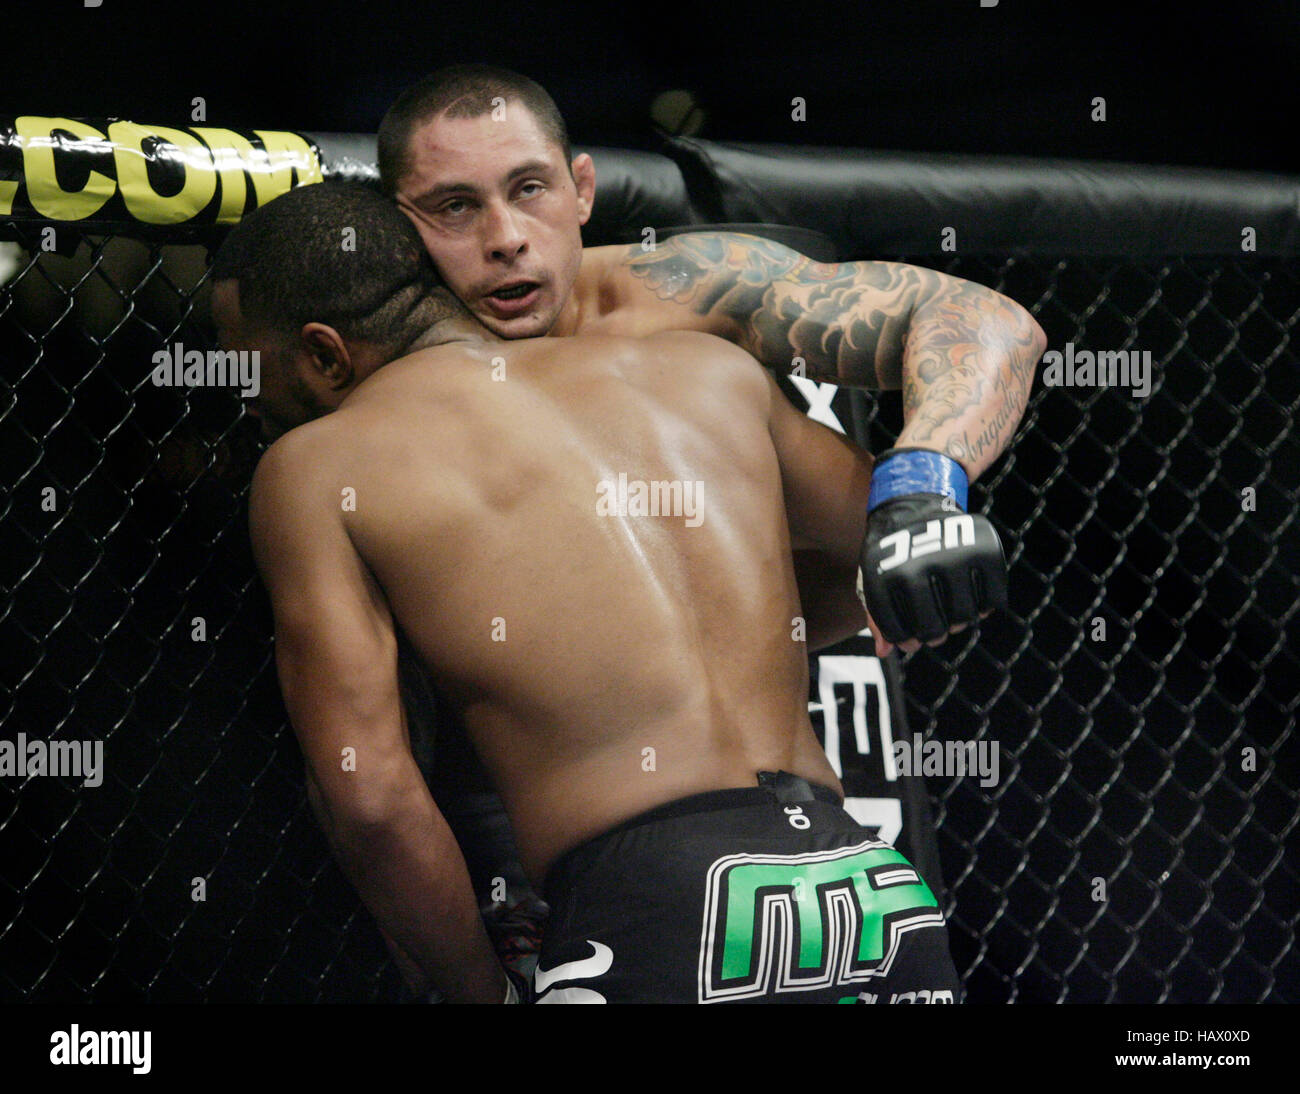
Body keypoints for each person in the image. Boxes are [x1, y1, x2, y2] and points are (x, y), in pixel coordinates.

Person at [210, 181, 965, 1003]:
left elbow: (371, 794)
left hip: (659, 906)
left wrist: (476, 993)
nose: (245, 403)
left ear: (324, 353)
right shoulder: (707, 370)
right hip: (865, 889)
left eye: (249, 369)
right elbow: (897, 553)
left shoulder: (317, 466)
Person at [378, 63, 1047, 658]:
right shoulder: (370, 355)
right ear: (397, 224)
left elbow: (989, 322)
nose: (506, 239)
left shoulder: (683, 291)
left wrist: (918, 491)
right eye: (456, 207)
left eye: (529, 188)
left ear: (581, 189)